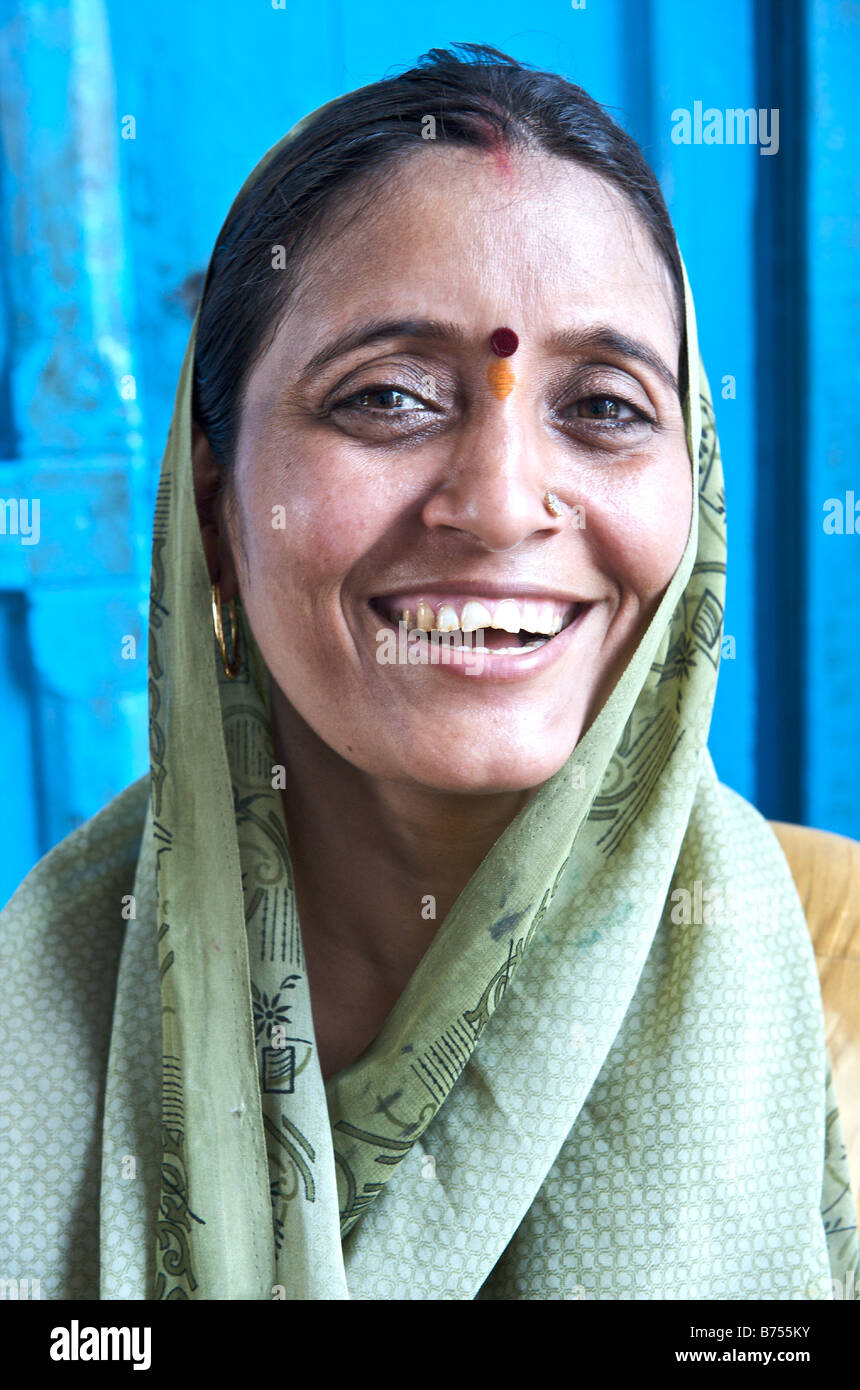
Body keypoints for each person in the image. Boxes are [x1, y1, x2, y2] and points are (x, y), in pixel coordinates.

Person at [1, 44, 856, 1301]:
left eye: (606, 407)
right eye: (390, 397)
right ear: (212, 511)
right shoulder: (35, 1043)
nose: (502, 504)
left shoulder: (836, 973)